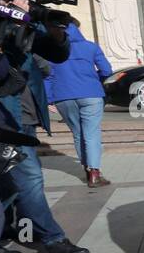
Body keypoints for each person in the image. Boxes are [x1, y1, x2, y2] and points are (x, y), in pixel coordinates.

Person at [0, 0, 89, 253]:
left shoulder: (13, 14)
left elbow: (56, 53)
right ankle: (51, 239)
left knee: (7, 180)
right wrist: (6, 18)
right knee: (28, 176)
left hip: (24, 110)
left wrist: (53, 29)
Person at [45, 17, 113, 187]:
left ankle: (87, 170)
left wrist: (48, 98)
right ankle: (95, 173)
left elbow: (47, 75)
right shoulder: (90, 47)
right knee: (91, 134)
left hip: (63, 96)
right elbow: (107, 71)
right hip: (91, 94)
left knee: (78, 134)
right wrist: (95, 80)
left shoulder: (51, 50)